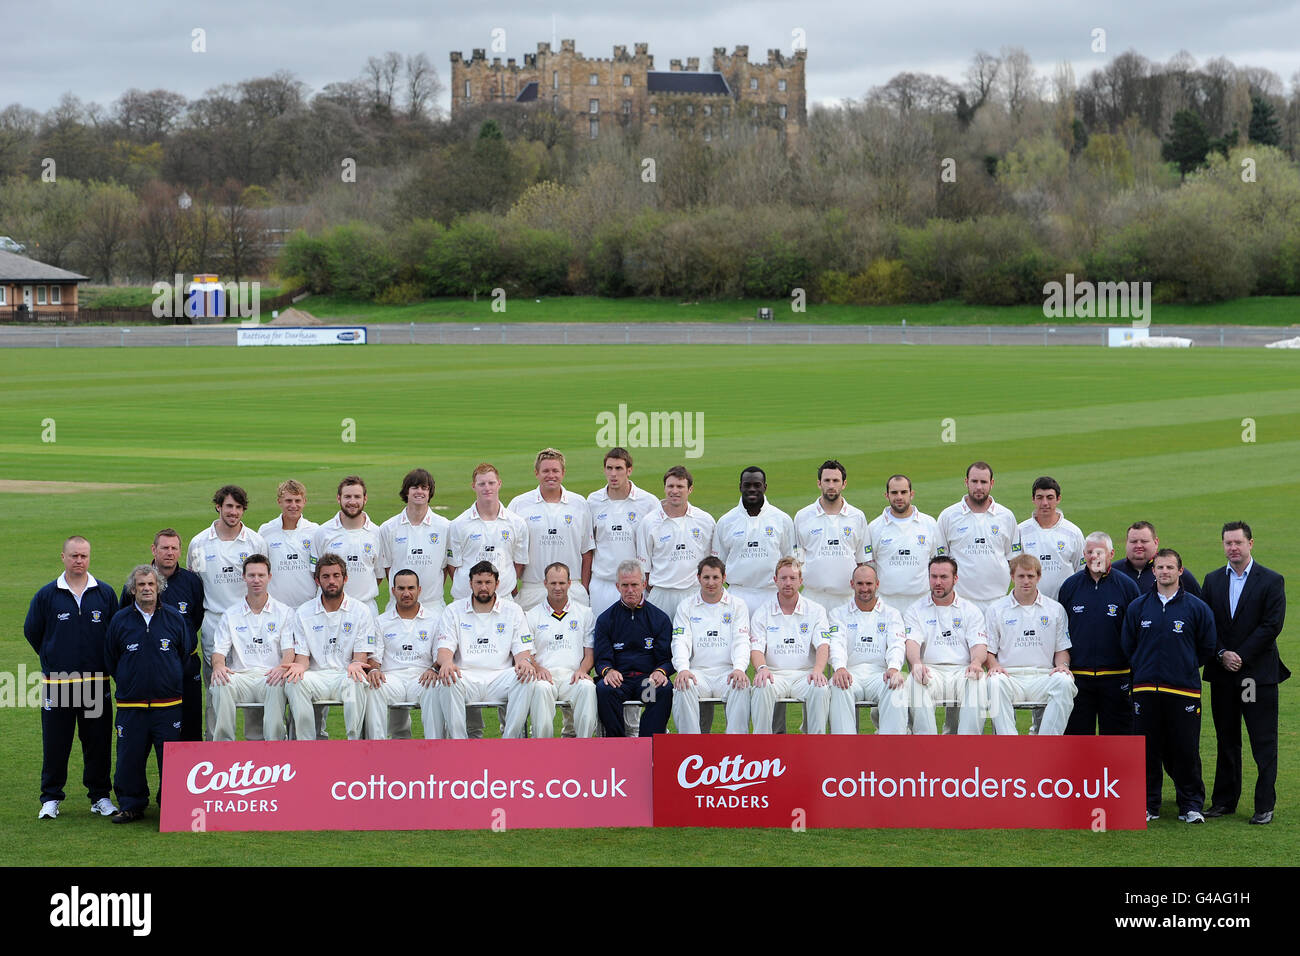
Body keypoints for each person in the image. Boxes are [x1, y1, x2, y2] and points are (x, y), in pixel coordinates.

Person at [24, 536, 119, 820]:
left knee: (98, 743)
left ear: (89, 558)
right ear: (63, 557)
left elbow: (114, 635)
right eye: (74, 556)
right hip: (58, 686)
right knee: (56, 744)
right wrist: (53, 657)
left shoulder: (104, 593)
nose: (79, 561)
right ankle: (51, 798)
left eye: (84, 556)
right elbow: (33, 631)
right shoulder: (47, 595)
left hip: (94, 684)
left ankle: (100, 796)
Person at [1201, 521, 1288, 825]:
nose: (1233, 548)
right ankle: (1224, 801)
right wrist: (1223, 654)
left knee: (1261, 740)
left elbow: (1271, 625)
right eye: (1228, 543)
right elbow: (1206, 623)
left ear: (1251, 543)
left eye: (1238, 543)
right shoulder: (1212, 581)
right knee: (1226, 738)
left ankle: (1264, 805)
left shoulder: (1271, 580)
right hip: (1224, 674)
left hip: (1254, 676)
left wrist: (1241, 656)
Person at [1121, 548, 1217, 824]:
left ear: (1180, 571)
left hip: (1183, 690)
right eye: (1160, 568)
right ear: (1154, 571)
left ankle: (1191, 805)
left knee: (1185, 749)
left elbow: (1206, 647)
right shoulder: (1139, 607)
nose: (1165, 572)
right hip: (1145, 690)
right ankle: (1149, 804)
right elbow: (1129, 645)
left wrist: (1182, 667)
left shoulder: (1197, 608)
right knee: (1147, 750)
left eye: (1170, 568)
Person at [105, 565, 194, 823]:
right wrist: (128, 680)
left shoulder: (175, 619)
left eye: (151, 585)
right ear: (133, 590)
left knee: (170, 759)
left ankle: (171, 803)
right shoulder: (120, 620)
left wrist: (168, 678)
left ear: (159, 588)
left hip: (168, 704)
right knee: (129, 758)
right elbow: (111, 659)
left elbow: (184, 655)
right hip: (131, 706)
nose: (146, 589)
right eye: (141, 585)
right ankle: (131, 805)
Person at [187, 484, 268, 740]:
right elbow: (194, 585)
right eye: (229, 506)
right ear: (218, 506)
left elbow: (263, 582)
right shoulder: (200, 542)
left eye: (238, 507)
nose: (233, 512)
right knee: (216, 690)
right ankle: (216, 747)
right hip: (215, 622)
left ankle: (257, 748)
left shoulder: (255, 541)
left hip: (251, 623)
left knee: (255, 684)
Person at [434, 561, 536, 739]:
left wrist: (524, 662)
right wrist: (448, 663)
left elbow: (522, 651)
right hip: (466, 676)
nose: (483, 587)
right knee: (447, 678)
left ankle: (510, 741)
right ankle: (458, 745)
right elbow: (444, 651)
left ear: (497, 584)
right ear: (470, 584)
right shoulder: (453, 610)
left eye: (488, 583)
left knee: (526, 676)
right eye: (478, 582)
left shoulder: (513, 610)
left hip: (500, 676)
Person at [122, 529, 205, 741]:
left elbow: (195, 620)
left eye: (174, 548)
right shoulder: (138, 582)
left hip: (185, 665)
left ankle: (189, 773)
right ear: (154, 550)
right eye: (164, 548)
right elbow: (122, 624)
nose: (169, 552)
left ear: (180, 551)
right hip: (146, 667)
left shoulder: (192, 582)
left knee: (191, 726)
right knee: (146, 731)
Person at [284, 553, 378, 740]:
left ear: (345, 578)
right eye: (326, 576)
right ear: (317, 580)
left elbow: (360, 657)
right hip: (316, 676)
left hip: (345, 674)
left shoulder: (361, 610)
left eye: (336, 576)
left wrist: (355, 664)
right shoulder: (304, 612)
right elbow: (302, 659)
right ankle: (305, 745)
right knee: (294, 681)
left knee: (357, 679)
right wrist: (297, 666)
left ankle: (355, 742)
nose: (331, 581)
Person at [1058, 532, 1142, 735]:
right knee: (1077, 743)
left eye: (1099, 552)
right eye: (1089, 552)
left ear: (1111, 554)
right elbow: (1060, 632)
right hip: (1078, 679)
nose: (1094, 557)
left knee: (1117, 742)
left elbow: (1136, 634)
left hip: (1117, 678)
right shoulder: (1070, 586)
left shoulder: (1127, 587)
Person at [208, 554, 297, 742]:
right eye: (251, 575)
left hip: (270, 676)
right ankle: (223, 746)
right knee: (219, 682)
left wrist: (282, 667)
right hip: (241, 677)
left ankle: (276, 744)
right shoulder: (230, 614)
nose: (256, 580)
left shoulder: (285, 612)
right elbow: (218, 652)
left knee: (277, 682)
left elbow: (289, 652)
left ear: (269, 577)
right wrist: (218, 667)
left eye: (261, 575)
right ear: (244, 577)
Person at [984, 554, 1076, 735]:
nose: (1026, 581)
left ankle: (1046, 744)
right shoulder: (996, 609)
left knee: (1065, 682)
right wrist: (994, 666)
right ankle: (1010, 746)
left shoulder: (1055, 609)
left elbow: (1061, 649)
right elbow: (989, 651)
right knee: (993, 683)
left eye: (1030, 576)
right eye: (1021, 576)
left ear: (1039, 577)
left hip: (1043, 676)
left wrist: (1063, 666)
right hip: (1010, 677)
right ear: (1012, 577)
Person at [902, 556, 991, 735]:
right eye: (933, 577)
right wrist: (917, 663)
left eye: (944, 577)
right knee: (914, 680)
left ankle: (968, 745)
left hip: (962, 671)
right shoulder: (915, 610)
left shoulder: (970, 610)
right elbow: (912, 643)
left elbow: (979, 645)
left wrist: (976, 662)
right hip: (931, 670)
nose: (938, 582)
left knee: (978, 679)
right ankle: (927, 745)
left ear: (955, 579)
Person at [749, 557, 833, 734]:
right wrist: (762, 668)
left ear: (801, 581)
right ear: (775, 580)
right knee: (761, 685)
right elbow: (756, 648)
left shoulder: (816, 610)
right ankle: (761, 743)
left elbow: (823, 645)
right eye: (783, 578)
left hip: (805, 675)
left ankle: (815, 742)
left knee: (820, 687)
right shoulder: (762, 612)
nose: (788, 583)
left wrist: (818, 670)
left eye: (793, 578)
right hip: (774, 674)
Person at [671, 557, 752, 735]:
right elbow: (680, 641)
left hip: (727, 672)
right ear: (698, 578)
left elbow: (741, 640)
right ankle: (689, 745)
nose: (711, 583)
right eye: (706, 577)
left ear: (724, 577)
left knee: (741, 684)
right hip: (698, 672)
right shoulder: (686, 606)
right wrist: (683, 669)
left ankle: (736, 746)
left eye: (715, 577)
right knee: (683, 685)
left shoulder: (738, 605)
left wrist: (739, 668)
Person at [593, 561, 674, 737]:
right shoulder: (606, 619)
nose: (630, 590)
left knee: (663, 690)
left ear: (644, 584)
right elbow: (601, 659)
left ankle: (647, 743)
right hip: (620, 681)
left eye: (635, 585)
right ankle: (618, 744)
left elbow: (667, 659)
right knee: (604, 689)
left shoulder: (659, 618)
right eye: (625, 585)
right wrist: (608, 671)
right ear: (617, 586)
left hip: (647, 681)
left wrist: (661, 672)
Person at [508, 449, 595, 610]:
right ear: (536, 473)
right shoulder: (519, 504)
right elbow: (510, 552)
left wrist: (584, 587)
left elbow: (587, 552)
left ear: (563, 473)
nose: (551, 475)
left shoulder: (579, 504)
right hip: (533, 588)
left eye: (555, 470)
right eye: (545, 471)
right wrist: (512, 588)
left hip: (572, 589)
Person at [827, 563, 907, 735]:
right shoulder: (838, 613)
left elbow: (897, 644)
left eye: (869, 584)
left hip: (879, 674)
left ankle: (891, 748)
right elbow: (836, 643)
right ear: (852, 584)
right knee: (837, 684)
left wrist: (893, 668)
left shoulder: (891, 614)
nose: (865, 588)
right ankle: (844, 749)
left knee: (897, 684)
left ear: (877, 584)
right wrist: (840, 668)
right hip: (850, 672)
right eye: (860, 584)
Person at [366, 569, 443, 740]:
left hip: (422, 677)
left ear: (419, 590)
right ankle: (375, 750)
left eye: (411, 588)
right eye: (401, 589)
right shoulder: (381, 621)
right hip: (391, 678)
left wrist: (433, 669)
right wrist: (374, 671)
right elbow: (374, 658)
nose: (406, 593)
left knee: (435, 687)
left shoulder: (435, 620)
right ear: (393, 591)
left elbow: (440, 655)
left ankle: (436, 747)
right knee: (373, 687)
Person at [935, 462, 1020, 612]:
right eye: (974, 481)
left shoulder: (1006, 516)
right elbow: (941, 560)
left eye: (983, 482)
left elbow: (1012, 558)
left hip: (998, 600)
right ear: (966, 482)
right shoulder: (948, 516)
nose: (979, 487)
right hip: (959, 602)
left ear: (992, 483)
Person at [636, 465, 716, 622]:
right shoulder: (649, 522)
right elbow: (644, 568)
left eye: (680, 486)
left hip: (694, 593)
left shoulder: (705, 520)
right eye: (670, 486)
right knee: (660, 644)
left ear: (690, 489)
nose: (674, 491)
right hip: (661, 594)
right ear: (664, 488)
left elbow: (712, 562)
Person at [527, 562, 598, 738]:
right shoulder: (531, 615)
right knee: (541, 689)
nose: (557, 588)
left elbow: (590, 652)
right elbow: (527, 653)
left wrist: (582, 670)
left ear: (569, 583)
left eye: (561, 583)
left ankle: (585, 745)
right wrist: (538, 669)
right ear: (545, 584)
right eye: (553, 583)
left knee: (588, 687)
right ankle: (543, 748)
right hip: (544, 676)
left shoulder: (585, 614)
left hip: (572, 676)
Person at [586, 447, 658, 615]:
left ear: (629, 470)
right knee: (602, 635)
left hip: (635, 585)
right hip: (602, 582)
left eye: (618, 468)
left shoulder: (648, 502)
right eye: (609, 468)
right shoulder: (593, 501)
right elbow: (588, 546)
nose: (613, 474)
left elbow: (655, 547)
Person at [714, 466, 796, 613]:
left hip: (772, 595)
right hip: (736, 595)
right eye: (747, 485)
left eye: (757, 485)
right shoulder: (726, 522)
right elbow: (719, 564)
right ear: (740, 487)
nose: (752, 489)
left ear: (765, 487)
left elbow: (790, 560)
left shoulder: (782, 520)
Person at [793, 460, 871, 612]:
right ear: (819, 483)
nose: (831, 485)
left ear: (844, 484)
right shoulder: (803, 516)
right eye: (826, 480)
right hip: (812, 597)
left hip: (847, 598)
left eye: (836, 481)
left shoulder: (857, 517)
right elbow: (797, 561)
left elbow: (863, 563)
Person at [447, 463, 529, 603]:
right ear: (474, 486)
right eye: (482, 484)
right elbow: (453, 565)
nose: (487, 488)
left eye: (491, 483)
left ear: (499, 484)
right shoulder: (458, 524)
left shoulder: (517, 523)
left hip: (503, 599)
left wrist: (503, 585)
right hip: (466, 600)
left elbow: (519, 563)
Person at [379, 468, 451, 616]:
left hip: (433, 606)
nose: (420, 492)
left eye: (424, 488)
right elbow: (388, 567)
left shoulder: (445, 526)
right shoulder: (389, 527)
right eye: (415, 487)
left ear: (429, 493)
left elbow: (446, 567)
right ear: (406, 491)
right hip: (398, 607)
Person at [312, 476, 385, 617]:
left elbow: (378, 574)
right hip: (330, 609)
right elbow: (316, 574)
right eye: (347, 497)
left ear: (365, 499)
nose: (352, 502)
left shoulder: (376, 533)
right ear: (339, 498)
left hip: (365, 609)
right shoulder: (322, 532)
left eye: (357, 497)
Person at [867, 474, 939, 611]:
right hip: (886, 602)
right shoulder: (874, 527)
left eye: (903, 492)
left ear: (911, 494)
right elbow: (870, 566)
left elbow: (935, 561)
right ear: (886, 495)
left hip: (922, 602)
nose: (899, 497)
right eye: (894, 493)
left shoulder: (929, 524)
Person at [1015, 477, 1084, 600]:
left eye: (1050, 497)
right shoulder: (1020, 531)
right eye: (1040, 497)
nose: (1045, 503)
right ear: (1033, 499)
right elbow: (1015, 570)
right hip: (1030, 605)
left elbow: (1081, 571)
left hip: (1065, 604)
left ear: (1058, 499)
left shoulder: (1073, 533)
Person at [257, 479, 320, 610]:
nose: (293, 505)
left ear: (304, 502)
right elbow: (260, 569)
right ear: (279, 501)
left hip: (308, 607)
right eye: (288, 501)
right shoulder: (266, 531)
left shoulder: (315, 531)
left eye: (297, 500)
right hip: (275, 609)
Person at [1113, 521, 1202, 597]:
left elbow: (1199, 608)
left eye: (1144, 541)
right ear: (1126, 543)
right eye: (1133, 541)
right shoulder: (1114, 571)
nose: (1138, 546)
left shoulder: (1177, 574)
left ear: (1156, 542)